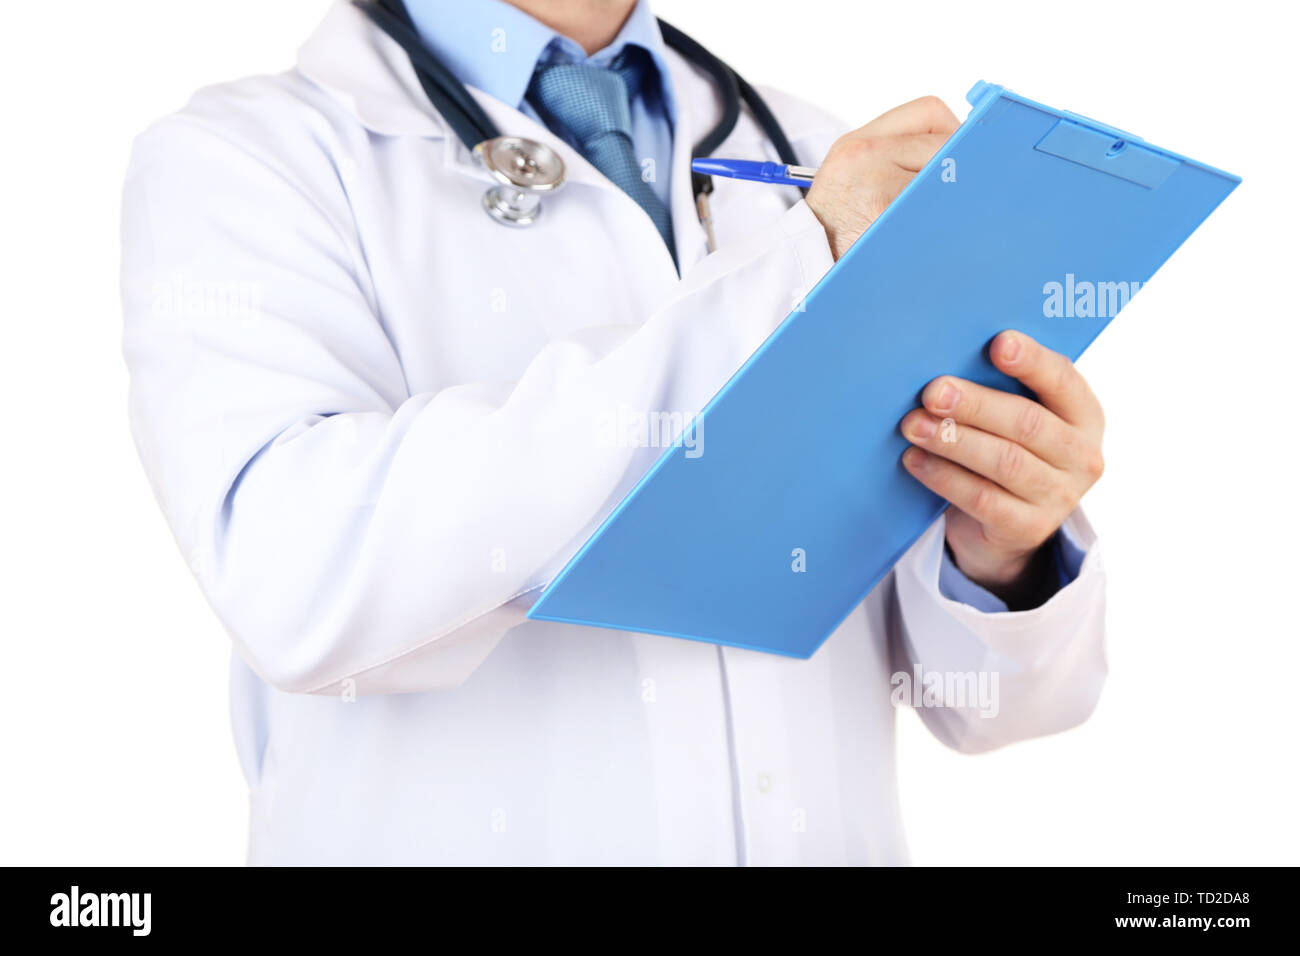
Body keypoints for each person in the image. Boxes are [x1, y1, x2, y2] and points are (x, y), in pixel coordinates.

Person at [120, 0, 1108, 865]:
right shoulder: (246, 158)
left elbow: (986, 705)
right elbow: (301, 581)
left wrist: (1000, 547)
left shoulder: (818, 151)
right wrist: (790, 283)